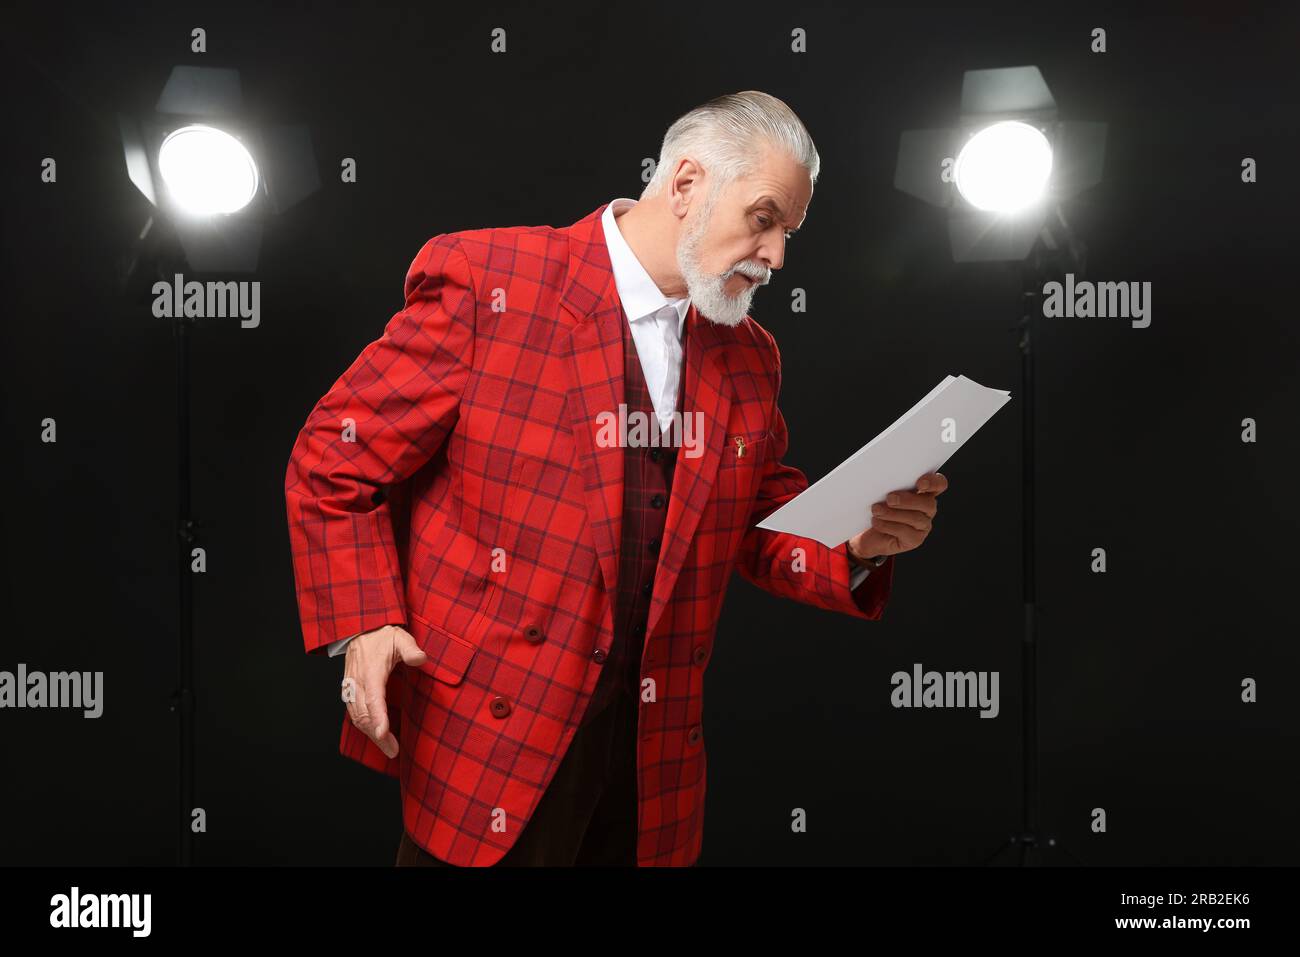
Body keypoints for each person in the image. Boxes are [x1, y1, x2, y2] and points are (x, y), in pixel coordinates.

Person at [284, 90, 946, 867]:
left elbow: (759, 520)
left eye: (789, 232)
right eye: (764, 219)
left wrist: (857, 541)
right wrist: (364, 622)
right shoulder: (492, 281)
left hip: (650, 764)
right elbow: (335, 450)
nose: (776, 257)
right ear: (688, 183)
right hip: (490, 743)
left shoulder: (750, 354)